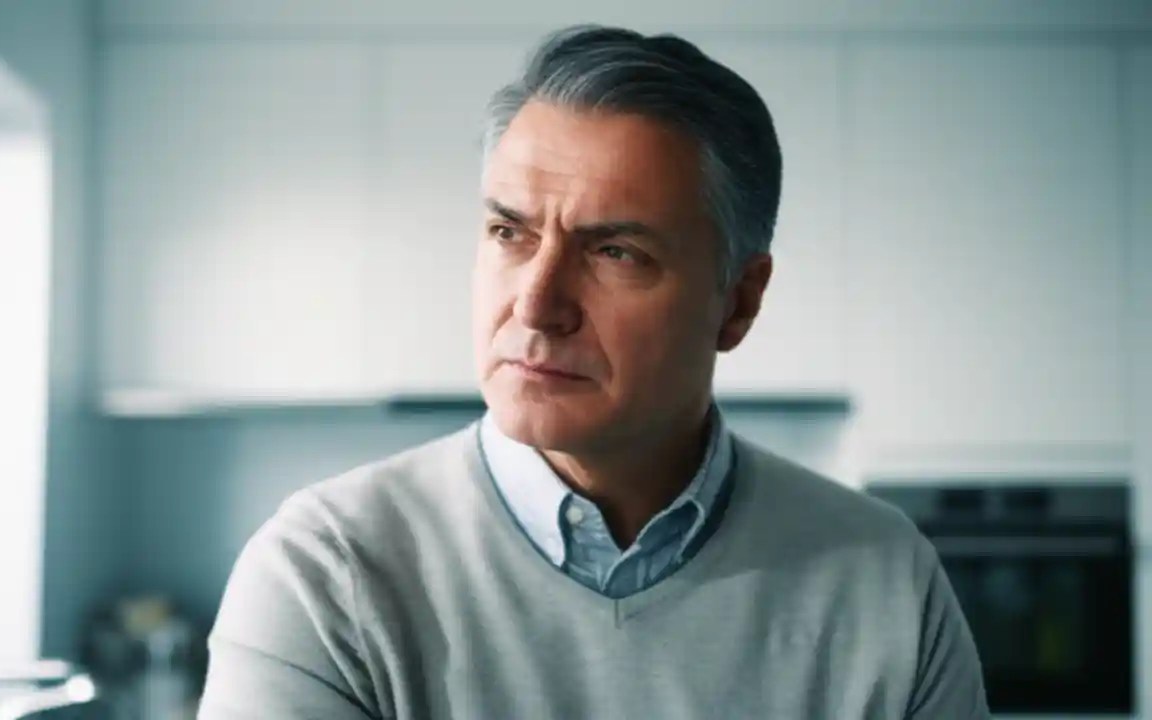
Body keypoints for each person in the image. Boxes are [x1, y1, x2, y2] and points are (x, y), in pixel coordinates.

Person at [198, 24, 990, 719]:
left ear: (738, 302)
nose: (537, 306)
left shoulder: (884, 581)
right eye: (509, 233)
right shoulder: (326, 573)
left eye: (616, 252)